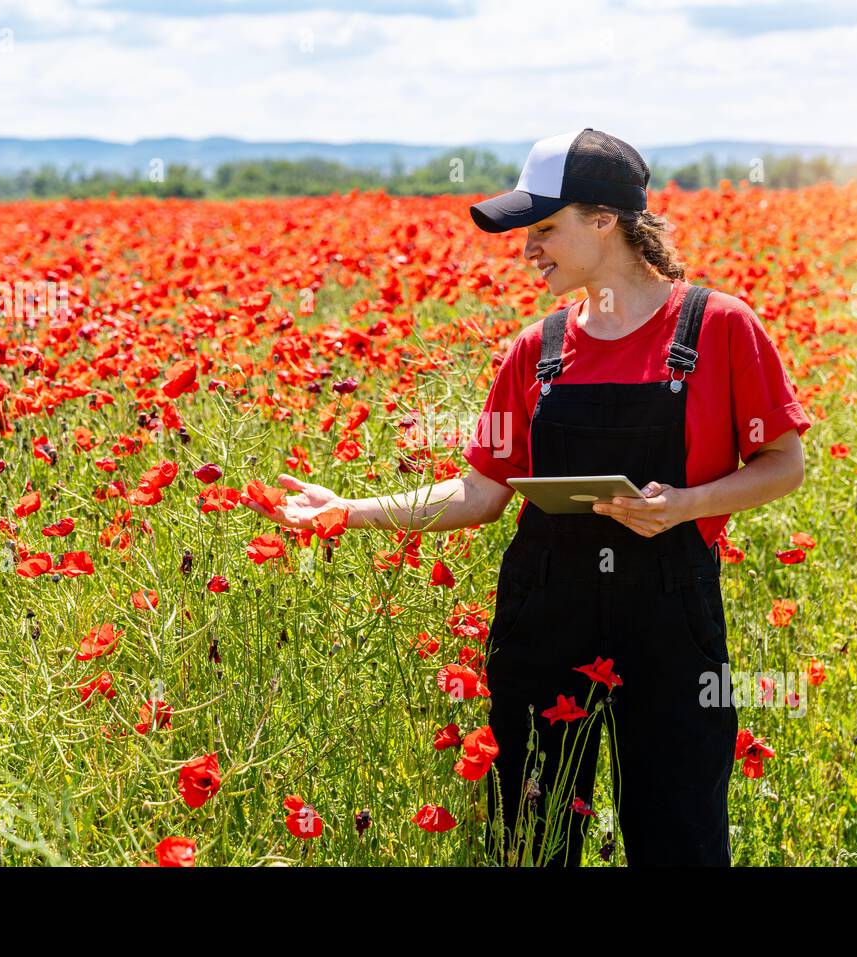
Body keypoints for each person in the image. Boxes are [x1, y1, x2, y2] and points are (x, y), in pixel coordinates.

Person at [242, 128, 811, 866]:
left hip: (671, 617)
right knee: (533, 835)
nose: (527, 248)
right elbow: (480, 493)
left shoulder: (718, 327)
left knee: (681, 834)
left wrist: (688, 503)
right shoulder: (537, 349)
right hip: (547, 612)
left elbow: (783, 463)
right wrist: (350, 508)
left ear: (605, 219)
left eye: (544, 227)